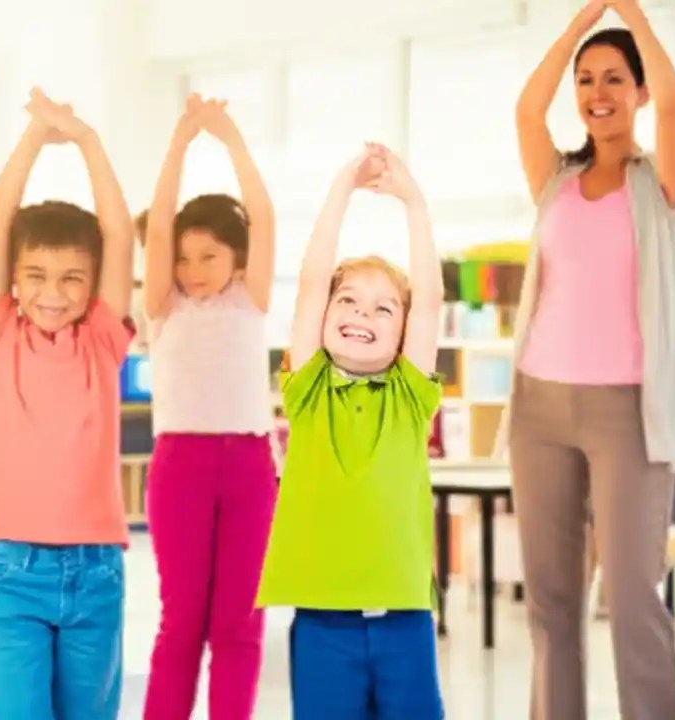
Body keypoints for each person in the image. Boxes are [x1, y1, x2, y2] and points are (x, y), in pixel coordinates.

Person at [504, 0, 675, 717]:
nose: (597, 94)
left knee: (634, 593)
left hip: (628, 411)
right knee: (551, 600)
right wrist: (578, 23)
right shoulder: (553, 180)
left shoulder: (661, 183)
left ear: (640, 92)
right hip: (539, 409)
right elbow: (528, 111)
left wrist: (633, 15)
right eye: (586, 81)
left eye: (615, 79)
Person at [256, 143, 446, 720]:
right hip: (322, 622)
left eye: (384, 310)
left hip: (405, 620)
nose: (362, 315)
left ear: (403, 334)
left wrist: (413, 202)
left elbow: (431, 297)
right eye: (349, 302)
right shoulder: (307, 390)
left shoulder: (410, 396)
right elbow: (312, 281)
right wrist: (342, 186)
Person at [0, 89, 135, 719]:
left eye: (72, 278)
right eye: (35, 275)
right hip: (13, 572)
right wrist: (36, 135)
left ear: (92, 286)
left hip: (97, 575)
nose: (53, 293)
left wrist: (88, 140)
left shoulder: (101, 341)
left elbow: (117, 233)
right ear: (14, 279)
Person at [142, 93, 278, 720]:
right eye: (183, 257)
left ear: (237, 260)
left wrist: (229, 138)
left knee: (241, 622)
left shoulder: (249, 301)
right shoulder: (163, 308)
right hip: (181, 466)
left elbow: (264, 217)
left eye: (210, 257)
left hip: (250, 467)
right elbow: (162, 216)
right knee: (182, 622)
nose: (193, 270)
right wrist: (179, 141)